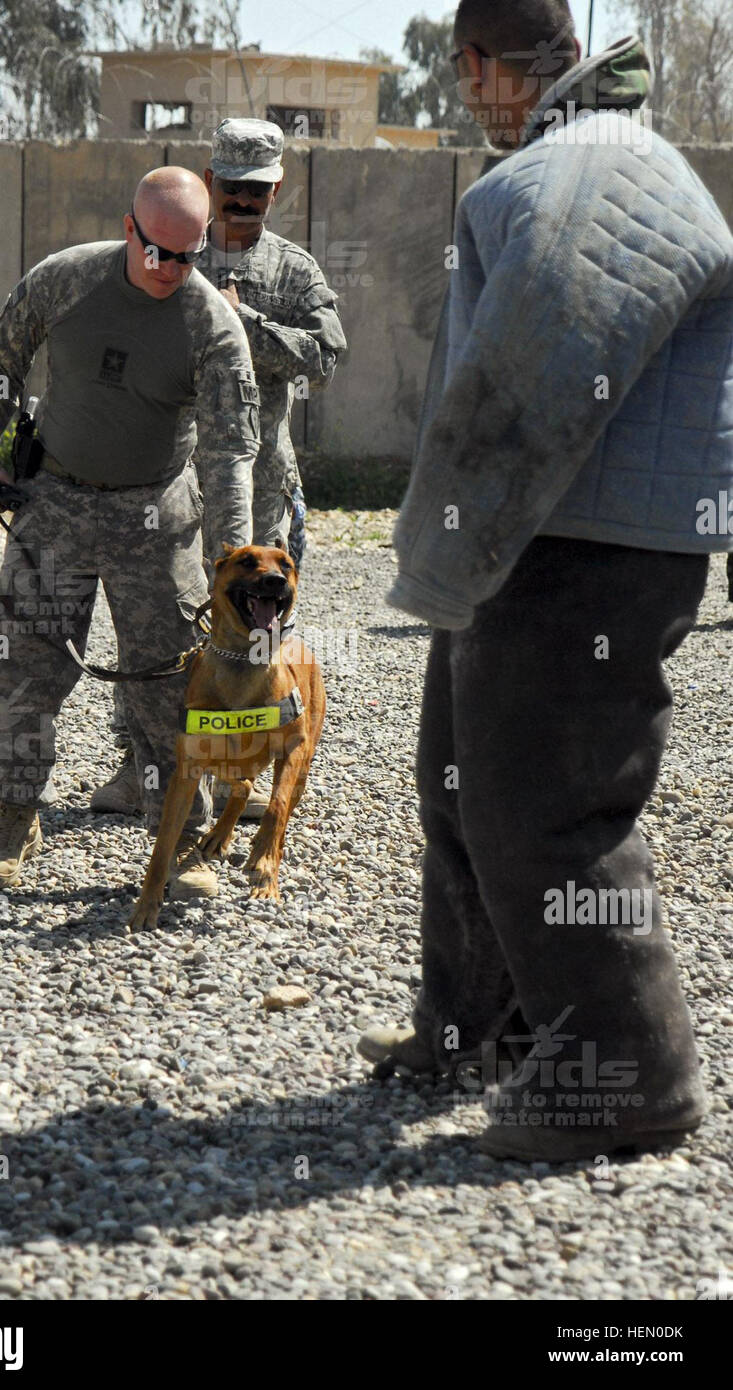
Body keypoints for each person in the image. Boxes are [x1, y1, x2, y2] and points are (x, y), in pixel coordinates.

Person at [359, 0, 733, 1162]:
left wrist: (448, 549)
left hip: (576, 539)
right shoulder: (602, 158)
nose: (468, 99)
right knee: (464, 778)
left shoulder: (572, 177)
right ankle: (478, 1028)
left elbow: (530, 377)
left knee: (550, 806)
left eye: (467, 80)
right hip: (569, 526)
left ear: (481, 66)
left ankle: (623, 1079)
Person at [0, 166, 258, 899]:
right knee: (19, 663)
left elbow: (229, 450)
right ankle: (13, 821)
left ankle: (181, 840)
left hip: (155, 515)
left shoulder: (210, 325)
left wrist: (239, 559)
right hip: (53, 502)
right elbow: (1, 358)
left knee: (171, 682)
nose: (170, 270)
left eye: (188, 257)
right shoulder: (66, 280)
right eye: (157, 251)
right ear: (129, 229)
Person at [91, 117, 347, 823]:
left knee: (256, 634)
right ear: (208, 182)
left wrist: (248, 324)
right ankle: (142, 766)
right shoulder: (171, 253)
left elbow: (325, 354)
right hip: (165, 482)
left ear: (276, 189)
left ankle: (245, 771)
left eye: (256, 191)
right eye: (230, 187)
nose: (242, 201)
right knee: (155, 625)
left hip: (260, 490)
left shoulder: (293, 270)